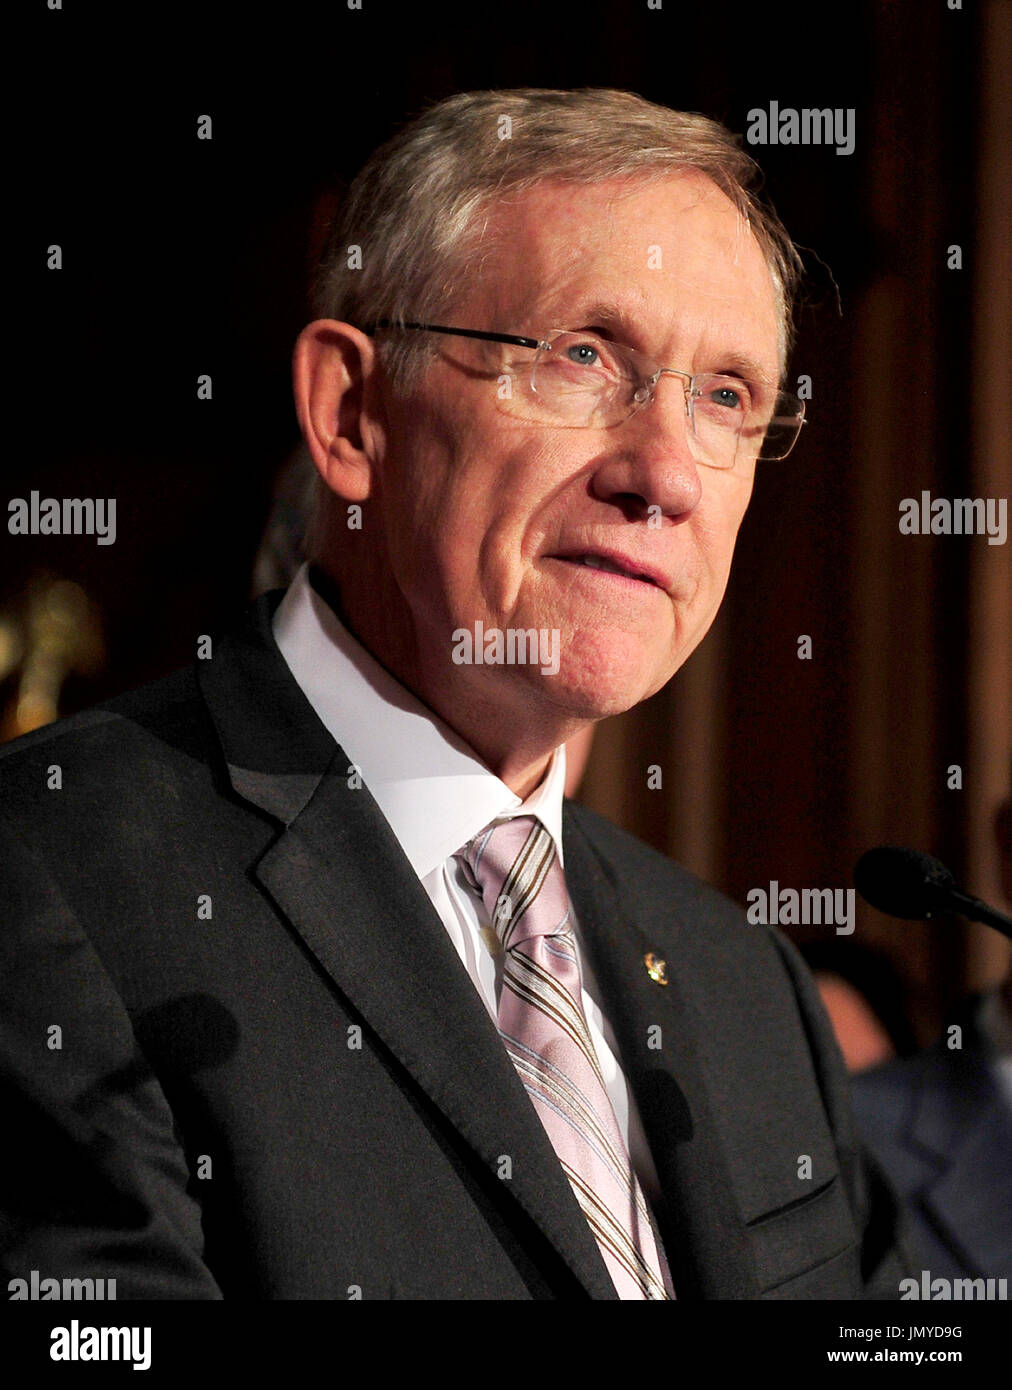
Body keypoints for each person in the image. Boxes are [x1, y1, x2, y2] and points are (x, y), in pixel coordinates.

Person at [0, 88, 914, 1300]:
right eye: (585, 355)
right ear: (350, 414)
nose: (663, 475)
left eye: (727, 398)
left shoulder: (750, 990)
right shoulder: (50, 876)